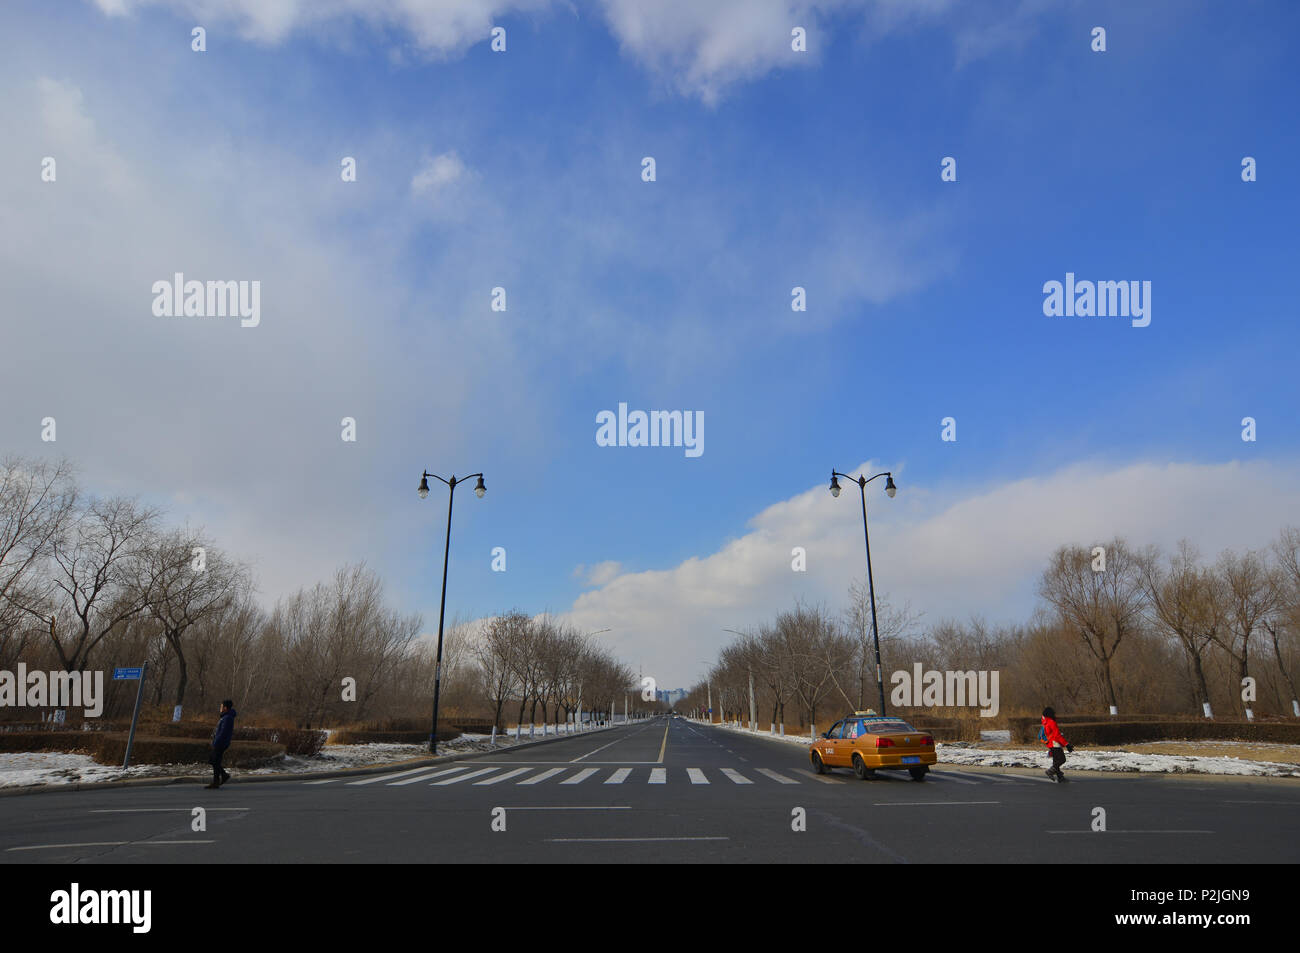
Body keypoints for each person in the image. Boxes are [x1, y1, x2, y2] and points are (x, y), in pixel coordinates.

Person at [207, 699, 236, 789]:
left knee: (213, 760)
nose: (220, 708)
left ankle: (223, 776)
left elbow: (223, 733)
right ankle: (218, 780)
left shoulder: (227, 718)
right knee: (215, 761)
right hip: (220, 743)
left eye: (221, 706)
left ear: (225, 708)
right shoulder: (225, 717)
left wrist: (215, 743)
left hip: (221, 743)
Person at [1040, 706, 1074, 782]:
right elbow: (1057, 735)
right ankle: (1050, 771)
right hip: (1055, 744)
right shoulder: (1051, 722)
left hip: (1050, 744)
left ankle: (1060, 778)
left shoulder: (1045, 722)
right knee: (1062, 759)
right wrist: (1067, 744)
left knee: (1056, 761)